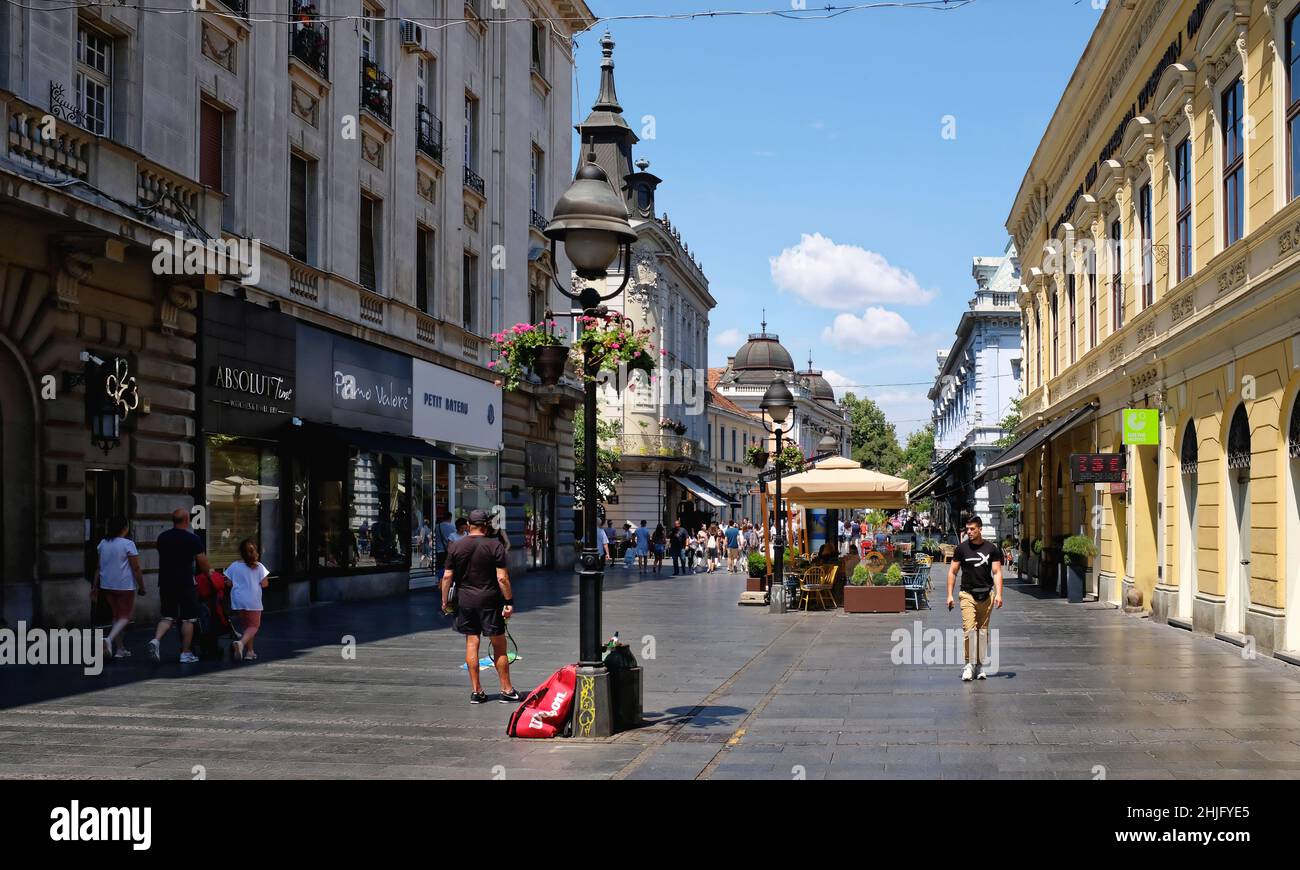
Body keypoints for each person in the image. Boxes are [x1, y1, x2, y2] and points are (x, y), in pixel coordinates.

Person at [441, 509, 518, 705]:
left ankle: (477, 691)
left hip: (465, 601)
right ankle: (506, 690)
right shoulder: (495, 546)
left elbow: (447, 577)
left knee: (471, 643)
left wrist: (445, 600)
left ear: (468, 524)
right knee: (499, 645)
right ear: (486, 525)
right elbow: (502, 578)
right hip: (490, 601)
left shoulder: (456, 546)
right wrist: (508, 602)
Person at [946, 515, 1003, 682]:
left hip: (986, 596)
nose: (969, 532)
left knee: (983, 633)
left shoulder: (991, 549)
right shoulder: (961, 549)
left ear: (980, 529)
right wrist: (949, 594)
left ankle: (979, 665)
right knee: (970, 630)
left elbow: (997, 572)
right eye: (967, 529)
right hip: (967, 595)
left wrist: (999, 594)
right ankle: (969, 664)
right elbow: (953, 572)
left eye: (972, 529)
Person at [151, 508, 211, 664]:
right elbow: (202, 562)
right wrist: (209, 574)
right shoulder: (193, 539)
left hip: (165, 582)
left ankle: (156, 640)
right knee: (188, 619)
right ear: (186, 520)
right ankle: (185, 652)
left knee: (167, 616)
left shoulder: (162, 537)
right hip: (185, 583)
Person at [92, 517, 144, 660]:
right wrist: (142, 586)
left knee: (116, 617)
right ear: (124, 528)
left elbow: (98, 567)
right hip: (124, 585)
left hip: (106, 585)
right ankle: (108, 639)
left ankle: (120, 649)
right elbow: (136, 568)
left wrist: (94, 586)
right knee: (125, 617)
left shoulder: (102, 543)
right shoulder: (128, 544)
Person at [226, 538, 270, 662]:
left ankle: (250, 652)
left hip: (238, 600)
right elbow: (265, 584)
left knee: (247, 627)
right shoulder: (259, 567)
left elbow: (228, 583)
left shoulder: (234, 565)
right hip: (253, 600)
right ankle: (241, 644)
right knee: (254, 626)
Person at [435, 512, 457, 576]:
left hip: (439, 551)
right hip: (448, 551)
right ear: (450, 518)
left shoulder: (437, 526)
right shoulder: (453, 527)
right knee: (447, 569)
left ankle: (440, 581)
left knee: (440, 568)